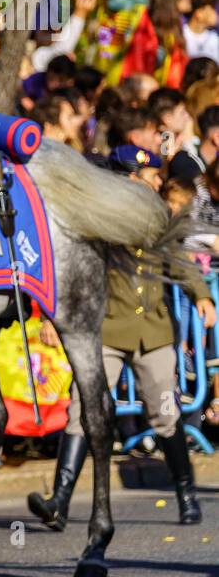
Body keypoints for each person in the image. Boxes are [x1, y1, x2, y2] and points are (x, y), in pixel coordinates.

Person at [28, 151, 214, 529]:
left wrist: (202, 295)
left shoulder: (162, 217)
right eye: (145, 175)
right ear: (125, 179)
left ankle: (187, 496)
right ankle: (59, 499)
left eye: (152, 175)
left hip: (154, 333)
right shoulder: (98, 217)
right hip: (109, 329)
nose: (154, 181)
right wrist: (51, 314)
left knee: (166, 414)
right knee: (83, 410)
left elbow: (179, 261)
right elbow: (70, 271)